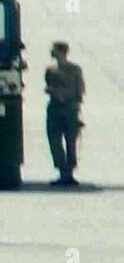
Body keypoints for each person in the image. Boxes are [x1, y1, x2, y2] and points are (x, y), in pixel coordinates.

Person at [45, 41, 85, 185]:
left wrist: (74, 103)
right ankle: (63, 170)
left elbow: (80, 89)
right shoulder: (50, 70)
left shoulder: (75, 70)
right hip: (55, 107)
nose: (52, 52)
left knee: (70, 141)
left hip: (70, 108)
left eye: (54, 50)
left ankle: (69, 172)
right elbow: (48, 86)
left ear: (62, 52)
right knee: (54, 140)